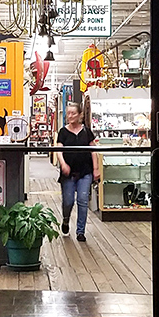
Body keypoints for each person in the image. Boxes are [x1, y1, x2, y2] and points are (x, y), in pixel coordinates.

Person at [56, 102, 100, 242]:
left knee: (82, 200)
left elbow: (93, 151)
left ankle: (80, 231)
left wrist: (96, 168)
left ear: (80, 115)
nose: (70, 116)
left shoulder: (86, 132)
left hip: (85, 172)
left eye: (73, 113)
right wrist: (63, 164)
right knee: (68, 201)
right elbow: (58, 150)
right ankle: (66, 220)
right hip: (68, 174)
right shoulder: (63, 132)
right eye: (68, 113)